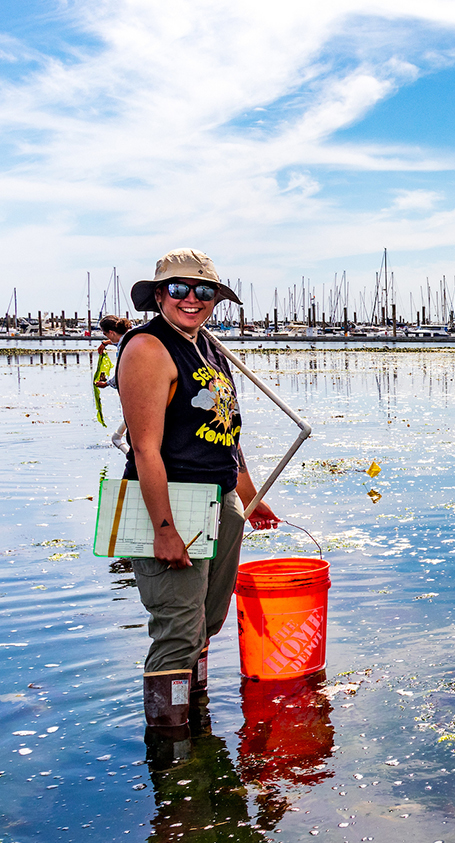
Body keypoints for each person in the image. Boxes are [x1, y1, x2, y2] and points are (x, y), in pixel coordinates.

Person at [117, 248, 279, 735]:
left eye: (204, 291)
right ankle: (172, 755)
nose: (192, 299)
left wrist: (248, 496)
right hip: (172, 501)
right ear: (160, 296)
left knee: (206, 620)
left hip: (218, 497)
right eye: (180, 289)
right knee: (177, 628)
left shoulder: (204, 345)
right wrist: (164, 530)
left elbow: (225, 429)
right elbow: (146, 450)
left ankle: (198, 718)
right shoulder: (148, 349)